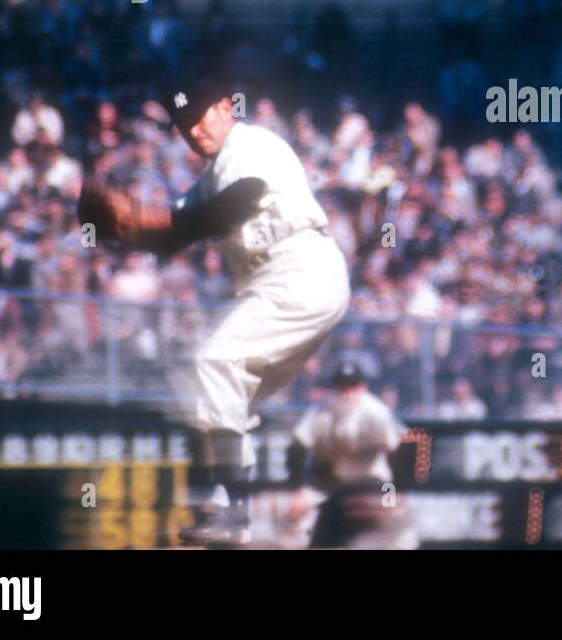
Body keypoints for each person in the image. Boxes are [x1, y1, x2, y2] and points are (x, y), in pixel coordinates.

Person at [77, 78, 351, 546]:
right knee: (205, 398)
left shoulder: (251, 145)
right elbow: (172, 232)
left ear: (227, 106)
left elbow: (233, 207)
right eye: (184, 125)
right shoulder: (211, 177)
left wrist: (151, 220)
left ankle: (236, 511)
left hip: (299, 271)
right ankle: (239, 515)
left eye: (202, 116)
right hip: (277, 284)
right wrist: (122, 227)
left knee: (215, 362)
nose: (195, 131)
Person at [288, 360, 416, 549]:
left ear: (362, 387)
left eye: (352, 386)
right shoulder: (322, 412)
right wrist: (298, 491)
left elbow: (401, 449)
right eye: (341, 387)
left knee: (395, 534)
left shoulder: (375, 412)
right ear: (333, 388)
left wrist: (393, 494)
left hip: (374, 485)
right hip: (332, 486)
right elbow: (297, 448)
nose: (347, 393)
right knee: (308, 533)